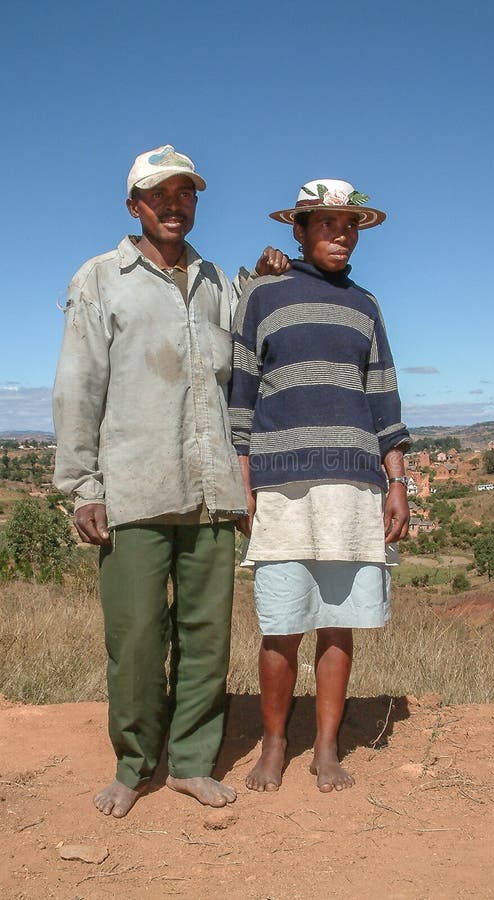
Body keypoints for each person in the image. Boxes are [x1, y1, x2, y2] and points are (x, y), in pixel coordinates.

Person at [53, 145, 289, 818]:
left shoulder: (217, 281)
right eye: (159, 194)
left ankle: (189, 762)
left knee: (207, 637)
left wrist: (267, 275)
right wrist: (82, 486)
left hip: (213, 490)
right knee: (134, 638)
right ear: (135, 206)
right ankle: (132, 765)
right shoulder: (101, 279)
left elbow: (250, 343)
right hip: (132, 489)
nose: (173, 204)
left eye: (184, 194)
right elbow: (78, 387)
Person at [229, 178, 411, 793]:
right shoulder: (265, 295)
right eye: (326, 223)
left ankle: (327, 748)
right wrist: (244, 476)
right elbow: (242, 391)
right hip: (282, 486)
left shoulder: (367, 305)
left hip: (354, 485)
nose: (340, 233)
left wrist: (397, 481)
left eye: (349, 224)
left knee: (339, 621)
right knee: (281, 622)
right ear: (299, 230)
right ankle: (275, 742)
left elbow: (383, 394)